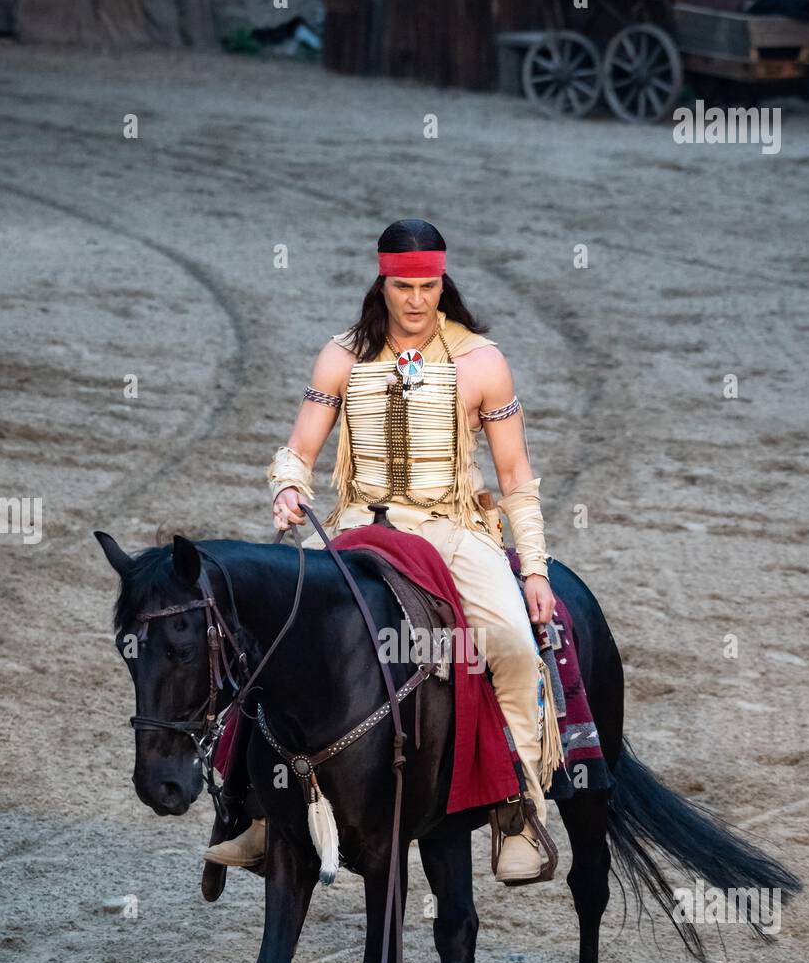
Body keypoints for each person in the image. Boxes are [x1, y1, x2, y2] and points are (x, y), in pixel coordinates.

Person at [207, 218, 559, 882]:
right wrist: (287, 486)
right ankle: (250, 807)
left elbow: (516, 477)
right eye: (404, 286)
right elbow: (299, 449)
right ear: (383, 282)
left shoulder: (482, 362)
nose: (417, 300)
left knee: (511, 640)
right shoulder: (340, 356)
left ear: (442, 283)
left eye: (428, 285)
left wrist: (534, 569)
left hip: (451, 532)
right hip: (351, 527)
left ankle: (517, 811)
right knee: (265, 634)